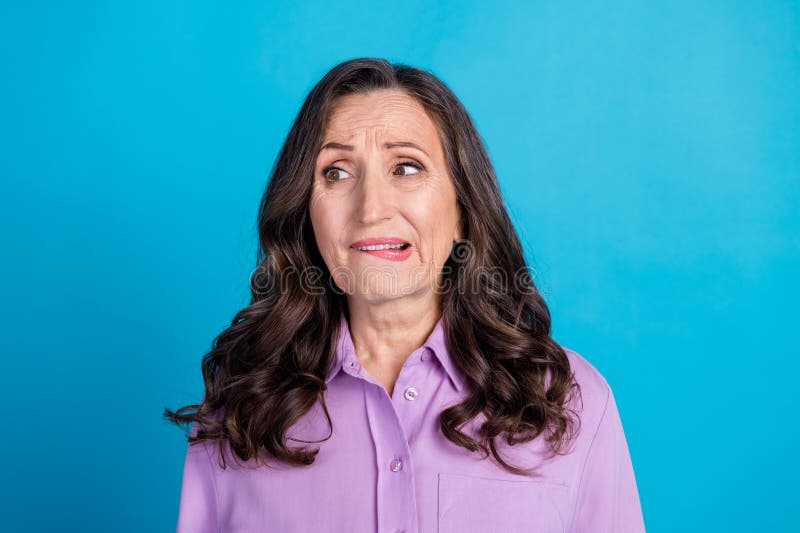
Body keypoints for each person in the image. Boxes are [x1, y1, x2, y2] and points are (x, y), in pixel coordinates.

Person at [165, 57, 646, 533]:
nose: (371, 209)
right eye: (336, 172)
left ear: (463, 211)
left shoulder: (570, 401)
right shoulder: (242, 407)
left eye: (407, 167)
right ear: (306, 217)